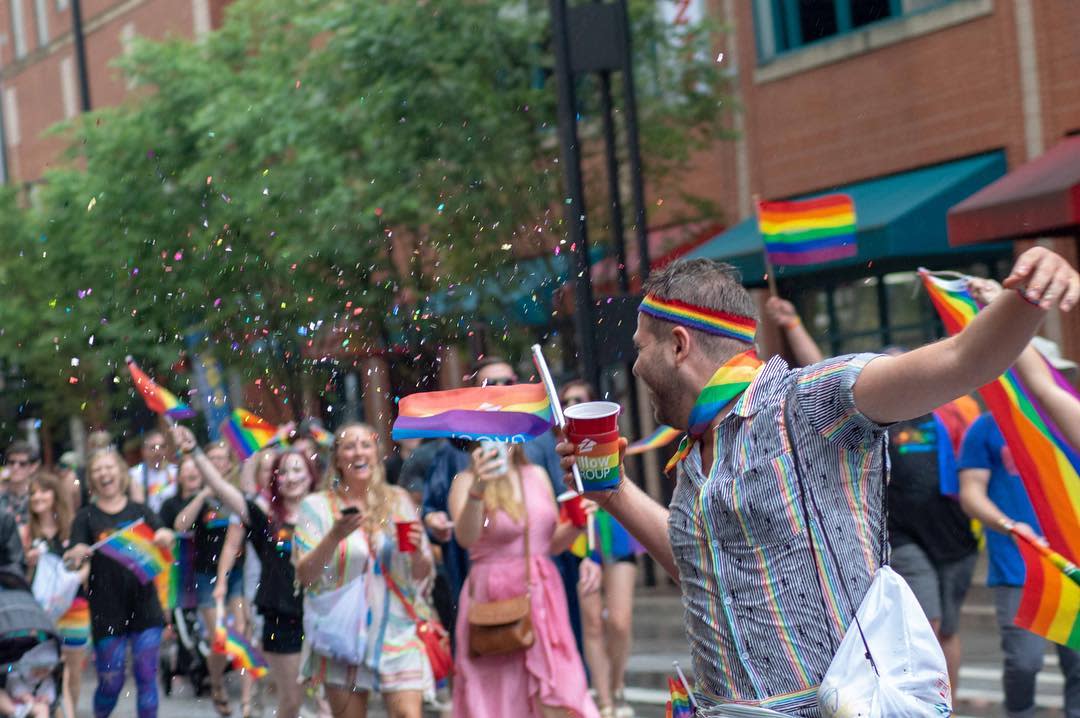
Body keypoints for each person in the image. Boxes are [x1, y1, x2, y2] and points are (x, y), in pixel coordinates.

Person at [555, 251, 1078, 716]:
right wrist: (614, 493)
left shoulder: (808, 403)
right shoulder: (694, 454)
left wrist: (1031, 291)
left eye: (640, 348)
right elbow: (705, 568)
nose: (636, 365)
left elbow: (963, 360)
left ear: (678, 345)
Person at [422, 356, 589, 652]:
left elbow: (549, 532)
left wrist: (583, 535)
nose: (500, 389)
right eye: (490, 384)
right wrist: (435, 518)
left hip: (543, 585)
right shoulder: (456, 456)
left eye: (507, 383)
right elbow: (442, 514)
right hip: (489, 585)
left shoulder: (540, 453)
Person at [294, 423, 435, 718]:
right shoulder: (316, 507)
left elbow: (419, 575)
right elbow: (305, 575)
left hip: (397, 626)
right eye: (349, 445)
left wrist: (419, 549)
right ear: (337, 459)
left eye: (366, 444)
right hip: (344, 632)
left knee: (409, 715)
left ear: (377, 453)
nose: (358, 451)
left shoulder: (398, 500)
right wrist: (334, 536)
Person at [172, 427, 315, 718]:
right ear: (275, 481)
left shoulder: (326, 511)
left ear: (311, 475)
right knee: (292, 701)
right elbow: (224, 490)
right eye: (283, 472)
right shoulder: (265, 518)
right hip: (283, 615)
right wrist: (194, 452)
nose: (292, 477)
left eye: (298, 470)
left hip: (324, 614)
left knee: (325, 702)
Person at [449, 442, 598, 718]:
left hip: (542, 595)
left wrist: (577, 525)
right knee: (501, 698)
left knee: (559, 694)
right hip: (492, 599)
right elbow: (465, 537)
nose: (498, 439)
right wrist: (479, 488)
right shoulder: (466, 479)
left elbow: (549, 544)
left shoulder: (536, 474)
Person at [958, 412, 1080, 717]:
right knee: (1024, 661)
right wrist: (1008, 526)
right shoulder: (987, 427)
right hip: (1020, 566)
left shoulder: (1068, 416)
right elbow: (971, 492)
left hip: (1073, 565)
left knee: (1079, 664)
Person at [64, 448, 174, 718]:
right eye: (98, 470)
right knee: (111, 681)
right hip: (106, 608)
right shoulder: (85, 517)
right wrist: (75, 555)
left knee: (146, 675)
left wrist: (163, 536)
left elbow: (163, 532)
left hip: (145, 606)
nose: (105, 474)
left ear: (121, 473)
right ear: (91, 479)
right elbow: (71, 557)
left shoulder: (140, 511)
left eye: (109, 468)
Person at [561, 380, 636, 718]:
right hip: (581, 538)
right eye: (567, 401)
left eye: (579, 399)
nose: (572, 403)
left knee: (618, 621)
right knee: (591, 622)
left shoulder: (607, 437)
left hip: (617, 532)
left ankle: (618, 686)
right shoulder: (561, 450)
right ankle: (604, 701)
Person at [160, 451, 247, 717]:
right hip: (205, 574)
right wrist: (203, 493)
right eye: (213, 458)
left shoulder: (236, 492)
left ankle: (246, 700)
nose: (219, 462)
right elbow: (180, 525)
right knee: (219, 637)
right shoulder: (198, 497)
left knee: (241, 633)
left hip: (236, 573)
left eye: (223, 458)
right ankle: (217, 684)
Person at [969, 276, 1080, 453]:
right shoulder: (987, 427)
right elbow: (1044, 389)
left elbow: (1044, 389)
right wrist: (1000, 307)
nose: (1063, 380)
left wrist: (1000, 307)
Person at [26, 471, 89, 718]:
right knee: (45, 668)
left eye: (43, 491)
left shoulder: (74, 527)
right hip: (39, 611)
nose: (37, 497)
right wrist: (29, 563)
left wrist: (77, 573)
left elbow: (87, 564)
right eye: (32, 493)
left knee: (72, 671)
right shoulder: (26, 533)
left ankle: (69, 711)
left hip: (74, 607)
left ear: (55, 494)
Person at [128, 430, 177, 515]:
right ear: (143, 451)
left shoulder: (176, 471)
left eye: (162, 447)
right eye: (153, 448)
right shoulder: (133, 475)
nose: (158, 452)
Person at [2, 441, 40, 529]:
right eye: (11, 462)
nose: (15, 467)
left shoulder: (40, 497)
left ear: (33, 467)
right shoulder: (1, 496)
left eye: (22, 464)